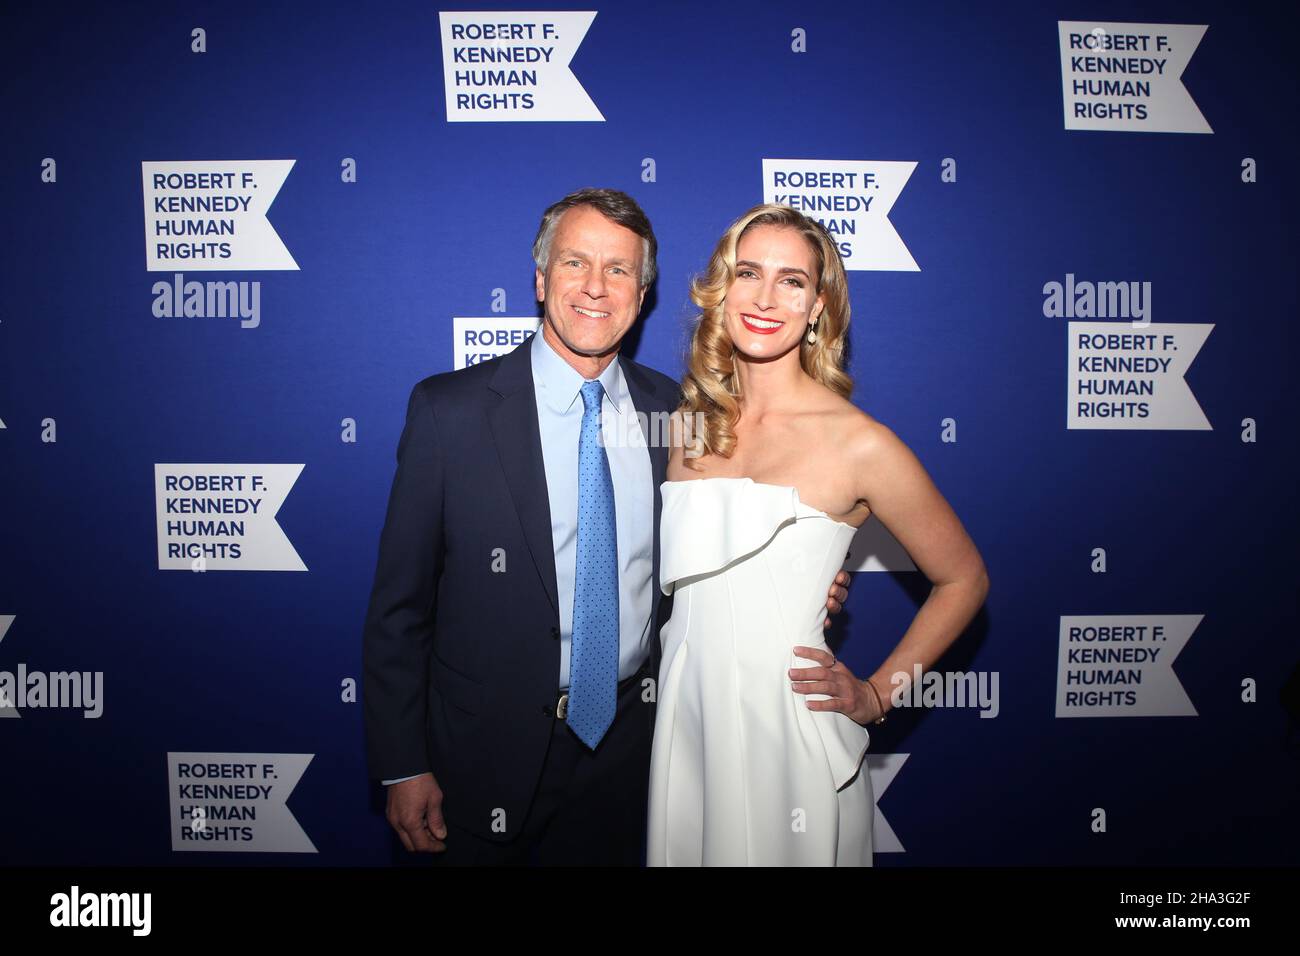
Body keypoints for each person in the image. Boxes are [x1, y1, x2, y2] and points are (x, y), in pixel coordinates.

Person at [361, 188, 851, 865]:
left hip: (632, 755)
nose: (596, 287)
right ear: (540, 278)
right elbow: (399, 610)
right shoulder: (451, 413)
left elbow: (723, 542)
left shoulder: (679, 417)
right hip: (479, 757)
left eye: (619, 269)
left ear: (643, 292)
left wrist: (804, 574)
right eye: (574, 263)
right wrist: (402, 764)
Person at [647, 203, 990, 866]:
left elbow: (965, 579)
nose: (766, 298)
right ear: (721, 289)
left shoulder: (861, 444)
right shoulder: (690, 429)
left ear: (818, 306)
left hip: (790, 732)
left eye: (793, 281)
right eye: (749, 273)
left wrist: (875, 695)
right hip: (689, 724)